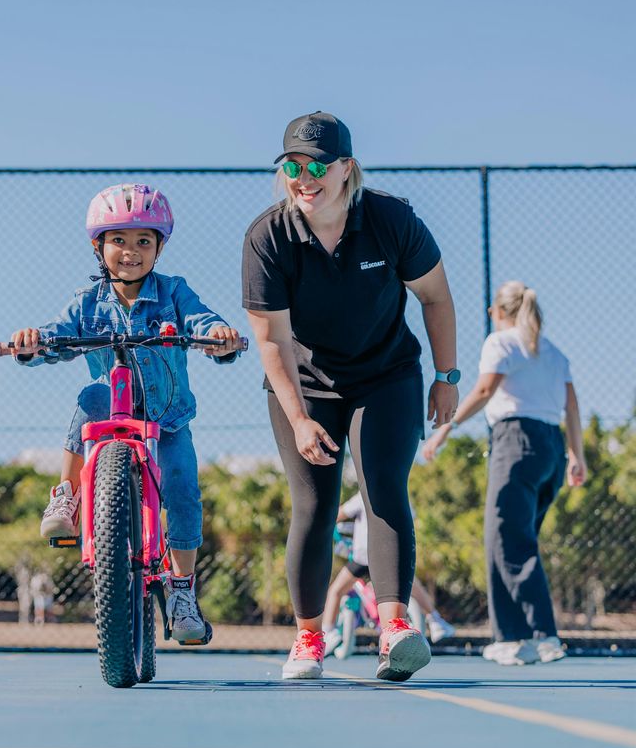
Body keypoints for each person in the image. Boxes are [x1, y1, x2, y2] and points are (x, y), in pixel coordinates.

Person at [242, 111, 459, 682]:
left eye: (317, 165)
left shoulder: (390, 220)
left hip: (386, 375)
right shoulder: (268, 237)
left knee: (385, 487)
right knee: (313, 505)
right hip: (305, 383)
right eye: (292, 165)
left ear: (346, 169)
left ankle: (395, 630)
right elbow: (271, 339)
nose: (303, 177)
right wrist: (298, 418)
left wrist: (447, 376)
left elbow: (436, 297)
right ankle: (308, 639)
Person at [9, 183, 244, 643]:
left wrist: (219, 335)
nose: (131, 252)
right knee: (91, 393)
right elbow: (57, 335)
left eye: (144, 241)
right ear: (99, 246)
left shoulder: (174, 292)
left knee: (183, 492)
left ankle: (181, 591)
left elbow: (201, 321)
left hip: (168, 421)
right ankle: (66, 496)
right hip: (111, 419)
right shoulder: (87, 302)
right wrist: (30, 342)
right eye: (119, 240)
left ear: (159, 247)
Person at [423, 281, 585, 666]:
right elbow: (572, 407)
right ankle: (517, 637)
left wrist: (444, 430)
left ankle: (538, 635)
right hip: (550, 450)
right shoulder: (553, 351)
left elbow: (483, 391)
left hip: (516, 442)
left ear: (499, 312)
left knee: (505, 540)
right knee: (514, 540)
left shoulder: (501, 342)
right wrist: (576, 455)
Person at [321, 492, 456, 655]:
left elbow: (338, 515)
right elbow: (409, 519)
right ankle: (435, 620)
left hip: (364, 556)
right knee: (412, 584)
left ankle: (328, 630)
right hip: (389, 554)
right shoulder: (398, 494)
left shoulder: (363, 496)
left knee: (336, 591)